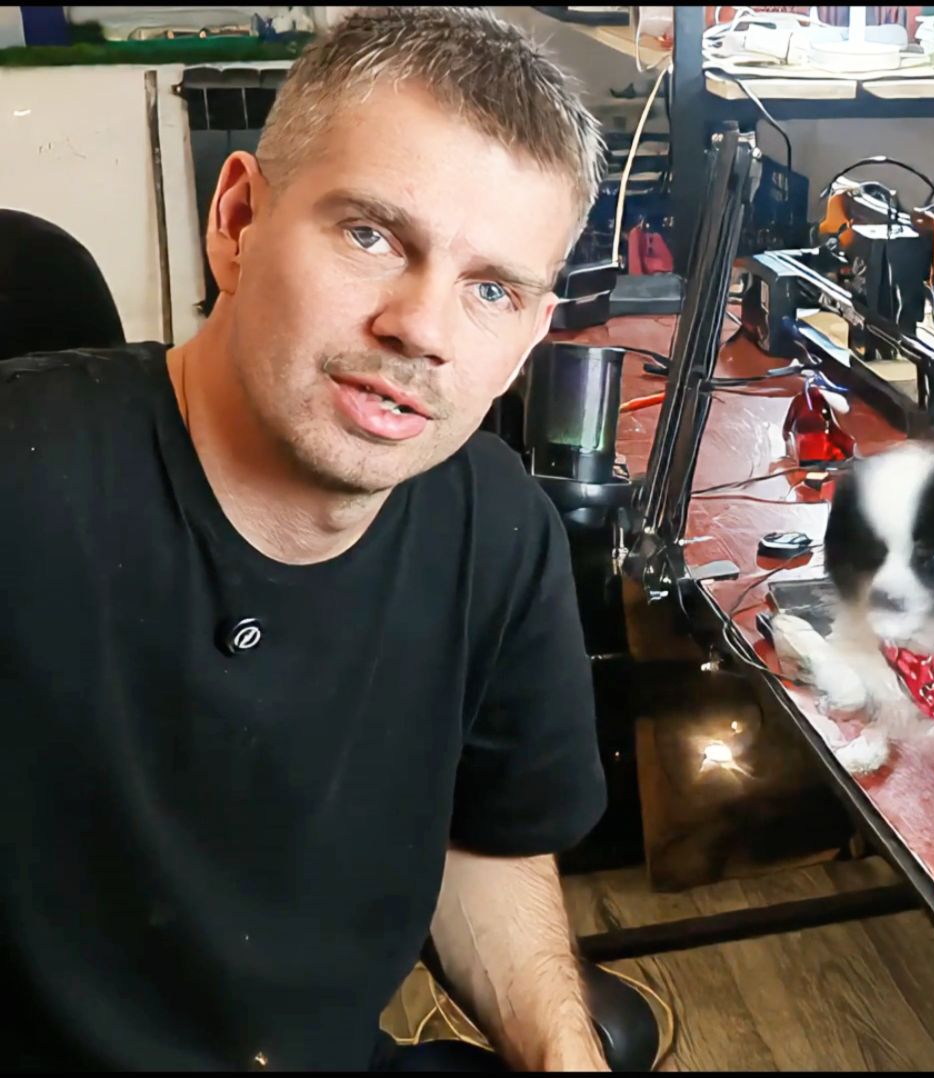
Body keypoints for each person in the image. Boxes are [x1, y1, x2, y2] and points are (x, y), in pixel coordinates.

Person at [0, 7, 617, 1070]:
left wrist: (568, 1057)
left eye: (490, 289)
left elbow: (483, 845)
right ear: (238, 220)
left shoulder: (498, 528)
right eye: (372, 235)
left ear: (529, 336)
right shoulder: (22, 488)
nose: (422, 329)